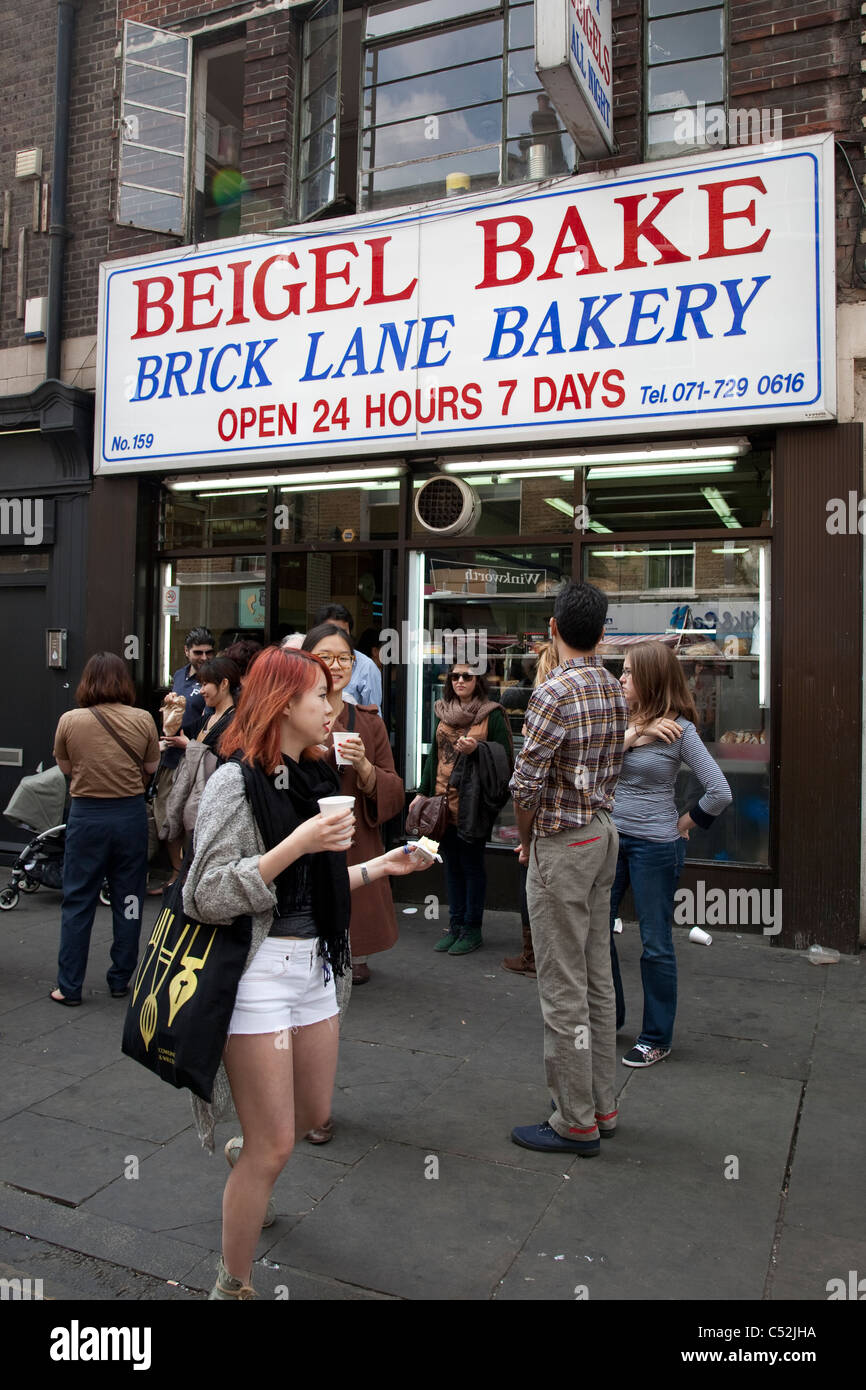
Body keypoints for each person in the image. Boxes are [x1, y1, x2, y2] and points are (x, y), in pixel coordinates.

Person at [181, 645, 432, 1300]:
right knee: (276, 1147)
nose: (331, 706)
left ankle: (252, 1152)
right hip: (257, 977)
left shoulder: (319, 778)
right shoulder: (233, 784)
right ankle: (232, 1282)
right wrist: (296, 844)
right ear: (284, 704)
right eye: (320, 695)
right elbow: (203, 893)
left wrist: (384, 866)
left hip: (319, 969)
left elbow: (316, 888)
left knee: (312, 1114)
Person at [509, 581, 627, 1155]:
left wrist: (527, 841)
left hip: (565, 842)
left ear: (552, 630)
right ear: (603, 633)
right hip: (604, 834)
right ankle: (601, 1105)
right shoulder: (612, 685)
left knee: (562, 986)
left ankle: (574, 1119)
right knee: (596, 976)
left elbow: (524, 784)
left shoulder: (553, 692)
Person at [610, 641, 733, 1067]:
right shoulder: (619, 720)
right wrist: (637, 734)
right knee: (595, 930)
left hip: (654, 848)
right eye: (621, 671)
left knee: (654, 943)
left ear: (651, 679)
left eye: (628, 672)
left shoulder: (682, 730)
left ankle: (656, 1037)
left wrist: (682, 824)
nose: (621, 679)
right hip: (610, 841)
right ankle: (612, 1015)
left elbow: (719, 791)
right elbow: (596, 765)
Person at [50, 653, 160, 1005]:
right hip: (129, 816)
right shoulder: (143, 718)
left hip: (86, 816)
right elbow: (151, 766)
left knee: (78, 900)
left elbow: (65, 767)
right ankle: (120, 979)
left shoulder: (69, 720)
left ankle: (69, 986)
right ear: (123, 681)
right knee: (129, 898)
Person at [301, 624, 404, 991]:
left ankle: (352, 951)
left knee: (353, 899)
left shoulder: (368, 722)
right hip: (304, 832)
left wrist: (363, 766)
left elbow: (394, 788)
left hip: (354, 833)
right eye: (326, 657)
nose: (337, 665)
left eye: (344, 658)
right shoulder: (291, 713)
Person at [410, 662, 513, 956]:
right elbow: (434, 756)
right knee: (451, 865)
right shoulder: (443, 710)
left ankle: (472, 928)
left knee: (471, 865)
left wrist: (477, 750)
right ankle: (454, 926)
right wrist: (422, 792)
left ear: (478, 679)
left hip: (473, 803)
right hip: (442, 803)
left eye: (467, 676)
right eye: (454, 676)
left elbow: (504, 758)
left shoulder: (491, 714)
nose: (459, 681)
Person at [501, 639, 559, 978]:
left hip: (542, 812)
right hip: (572, 820)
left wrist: (526, 836)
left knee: (533, 882)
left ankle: (534, 954)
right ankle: (541, 952)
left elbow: (527, 783)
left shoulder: (542, 699)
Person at [150, 627, 215, 892]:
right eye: (198, 652)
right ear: (187, 652)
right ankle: (176, 875)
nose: (203, 657)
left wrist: (191, 743)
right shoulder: (179, 675)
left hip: (196, 759)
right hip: (171, 757)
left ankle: (191, 877)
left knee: (192, 819)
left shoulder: (214, 679)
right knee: (167, 817)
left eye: (208, 652)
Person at [162, 657, 241, 847]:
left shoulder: (236, 722)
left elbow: (228, 763)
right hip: (199, 798)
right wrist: (171, 713)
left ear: (224, 684)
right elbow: (173, 735)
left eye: (206, 684)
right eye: (201, 684)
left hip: (217, 805)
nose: (202, 690)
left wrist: (190, 746)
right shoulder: (207, 718)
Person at [313, 603, 382, 713]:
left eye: (343, 632)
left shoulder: (366, 666)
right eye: (331, 631)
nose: (337, 636)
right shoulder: (306, 660)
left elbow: (373, 718)